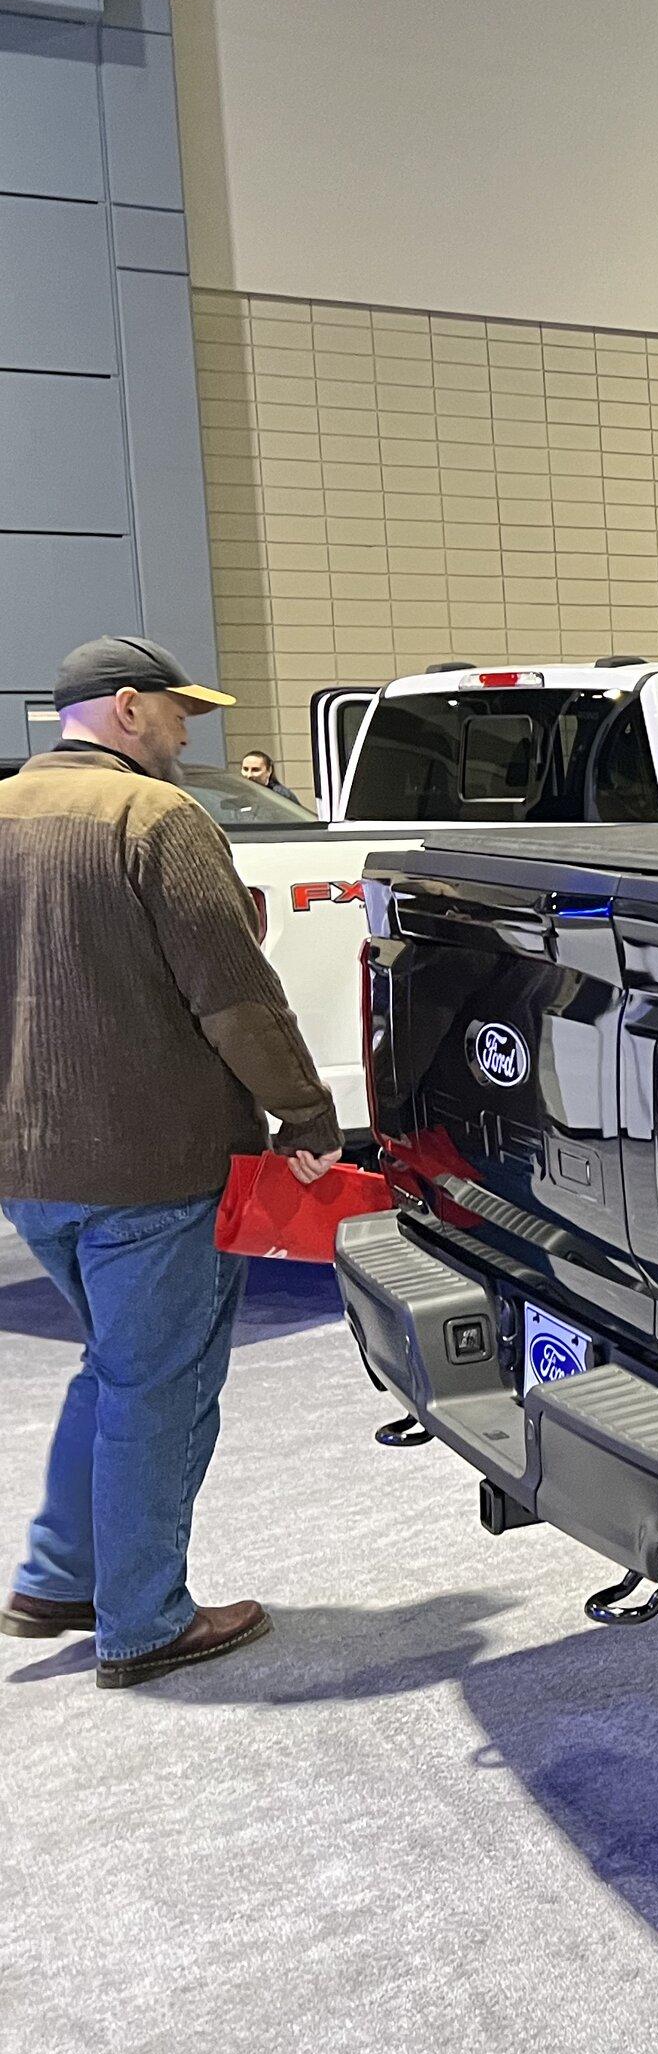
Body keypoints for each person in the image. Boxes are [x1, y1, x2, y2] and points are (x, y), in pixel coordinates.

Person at [0, 637, 341, 1687]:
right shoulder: (156, 819)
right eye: (179, 713)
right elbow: (233, 994)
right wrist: (306, 1113)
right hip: (152, 1163)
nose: (188, 734)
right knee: (161, 1384)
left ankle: (57, 1578)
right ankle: (144, 1620)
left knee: (113, 1364)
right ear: (128, 707)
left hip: (26, 1167)